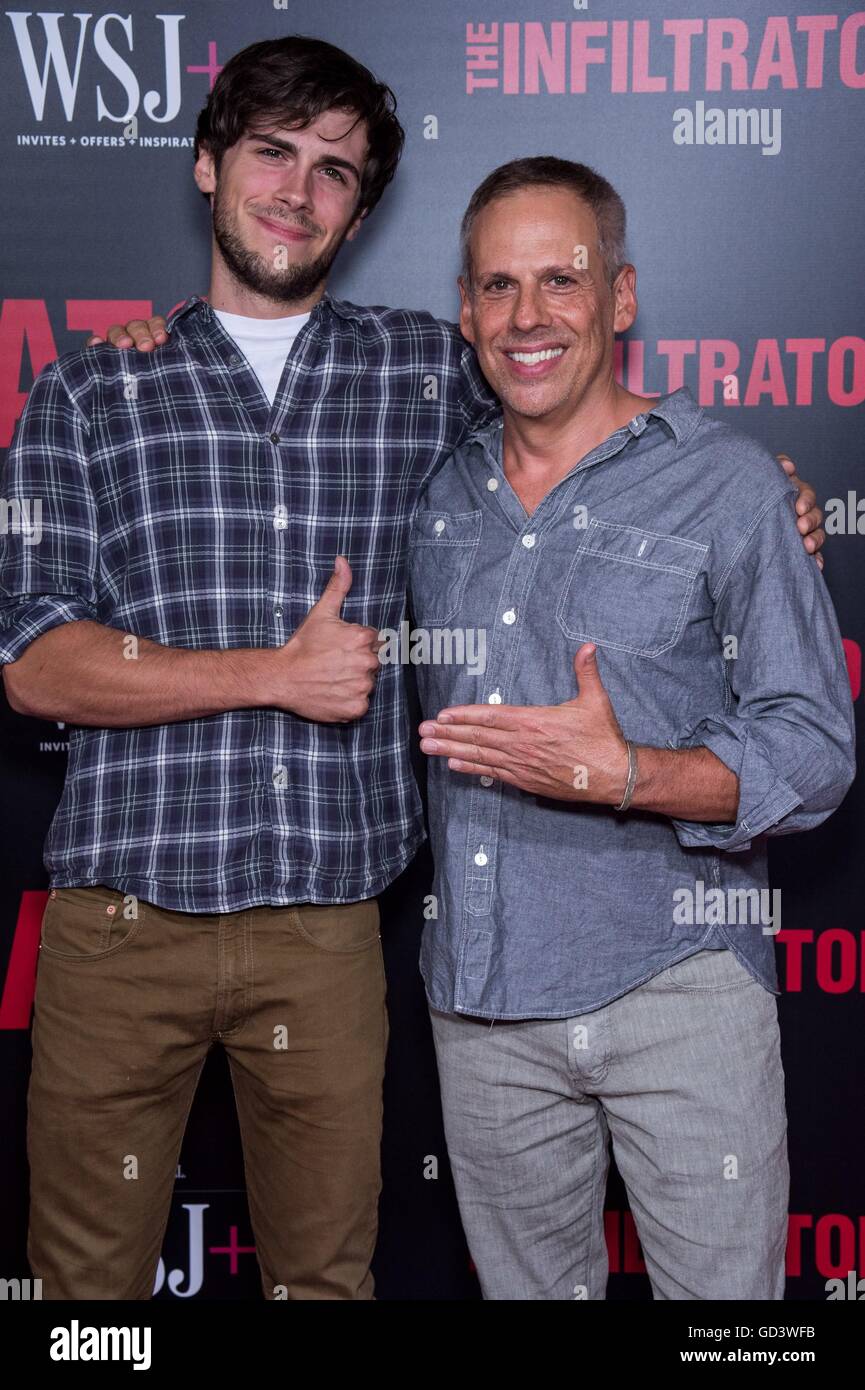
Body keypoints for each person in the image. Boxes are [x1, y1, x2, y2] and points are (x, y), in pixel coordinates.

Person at [33, 37, 823, 1301]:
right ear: (206, 166)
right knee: (84, 1301)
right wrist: (272, 673)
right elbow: (34, 660)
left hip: (342, 933)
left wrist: (764, 492)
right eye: (271, 154)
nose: (297, 191)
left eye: (335, 170)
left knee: (329, 1285)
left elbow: (584, 420)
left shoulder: (418, 374)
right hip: (132, 920)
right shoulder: (91, 390)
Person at [411, 156, 855, 1300]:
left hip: (677, 987)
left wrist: (627, 773)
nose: (527, 317)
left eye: (561, 280)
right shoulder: (432, 491)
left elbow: (813, 748)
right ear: (463, 308)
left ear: (619, 297)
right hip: (482, 1001)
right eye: (497, 286)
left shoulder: (731, 484)